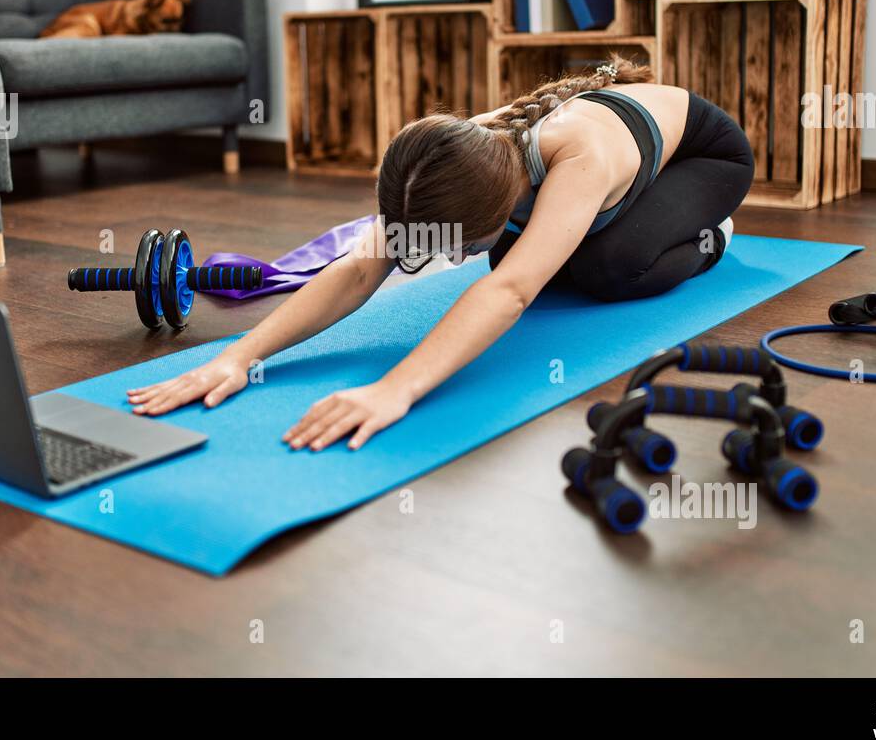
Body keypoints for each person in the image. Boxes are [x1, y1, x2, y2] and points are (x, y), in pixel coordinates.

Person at [127, 55, 754, 451]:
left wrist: (393, 389)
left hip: (702, 157)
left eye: (450, 245)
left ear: (499, 212)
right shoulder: (444, 154)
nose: (432, 258)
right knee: (521, 261)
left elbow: (509, 295)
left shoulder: (578, 158)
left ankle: (713, 236)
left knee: (608, 267)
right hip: (573, 185)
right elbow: (359, 267)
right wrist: (241, 356)